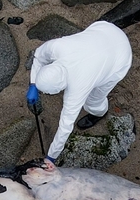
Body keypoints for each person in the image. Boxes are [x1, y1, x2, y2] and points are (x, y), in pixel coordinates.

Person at [26, 21, 133, 170]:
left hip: (121, 57)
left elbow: (65, 126)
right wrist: (33, 84)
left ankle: (99, 113)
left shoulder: (77, 88)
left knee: (92, 102)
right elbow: (38, 56)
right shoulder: (57, 47)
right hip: (105, 29)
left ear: (59, 89)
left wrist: (51, 157)